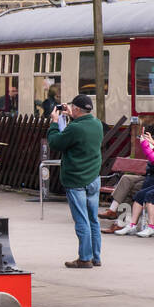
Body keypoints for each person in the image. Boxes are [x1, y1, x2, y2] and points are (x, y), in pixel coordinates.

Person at [46, 93, 104, 268]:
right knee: (93, 219)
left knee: (81, 220)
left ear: (77, 109)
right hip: (93, 177)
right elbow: (80, 131)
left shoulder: (75, 128)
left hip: (76, 179)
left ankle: (84, 258)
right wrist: (71, 115)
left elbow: (55, 143)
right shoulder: (97, 124)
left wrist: (55, 123)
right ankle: (96, 256)